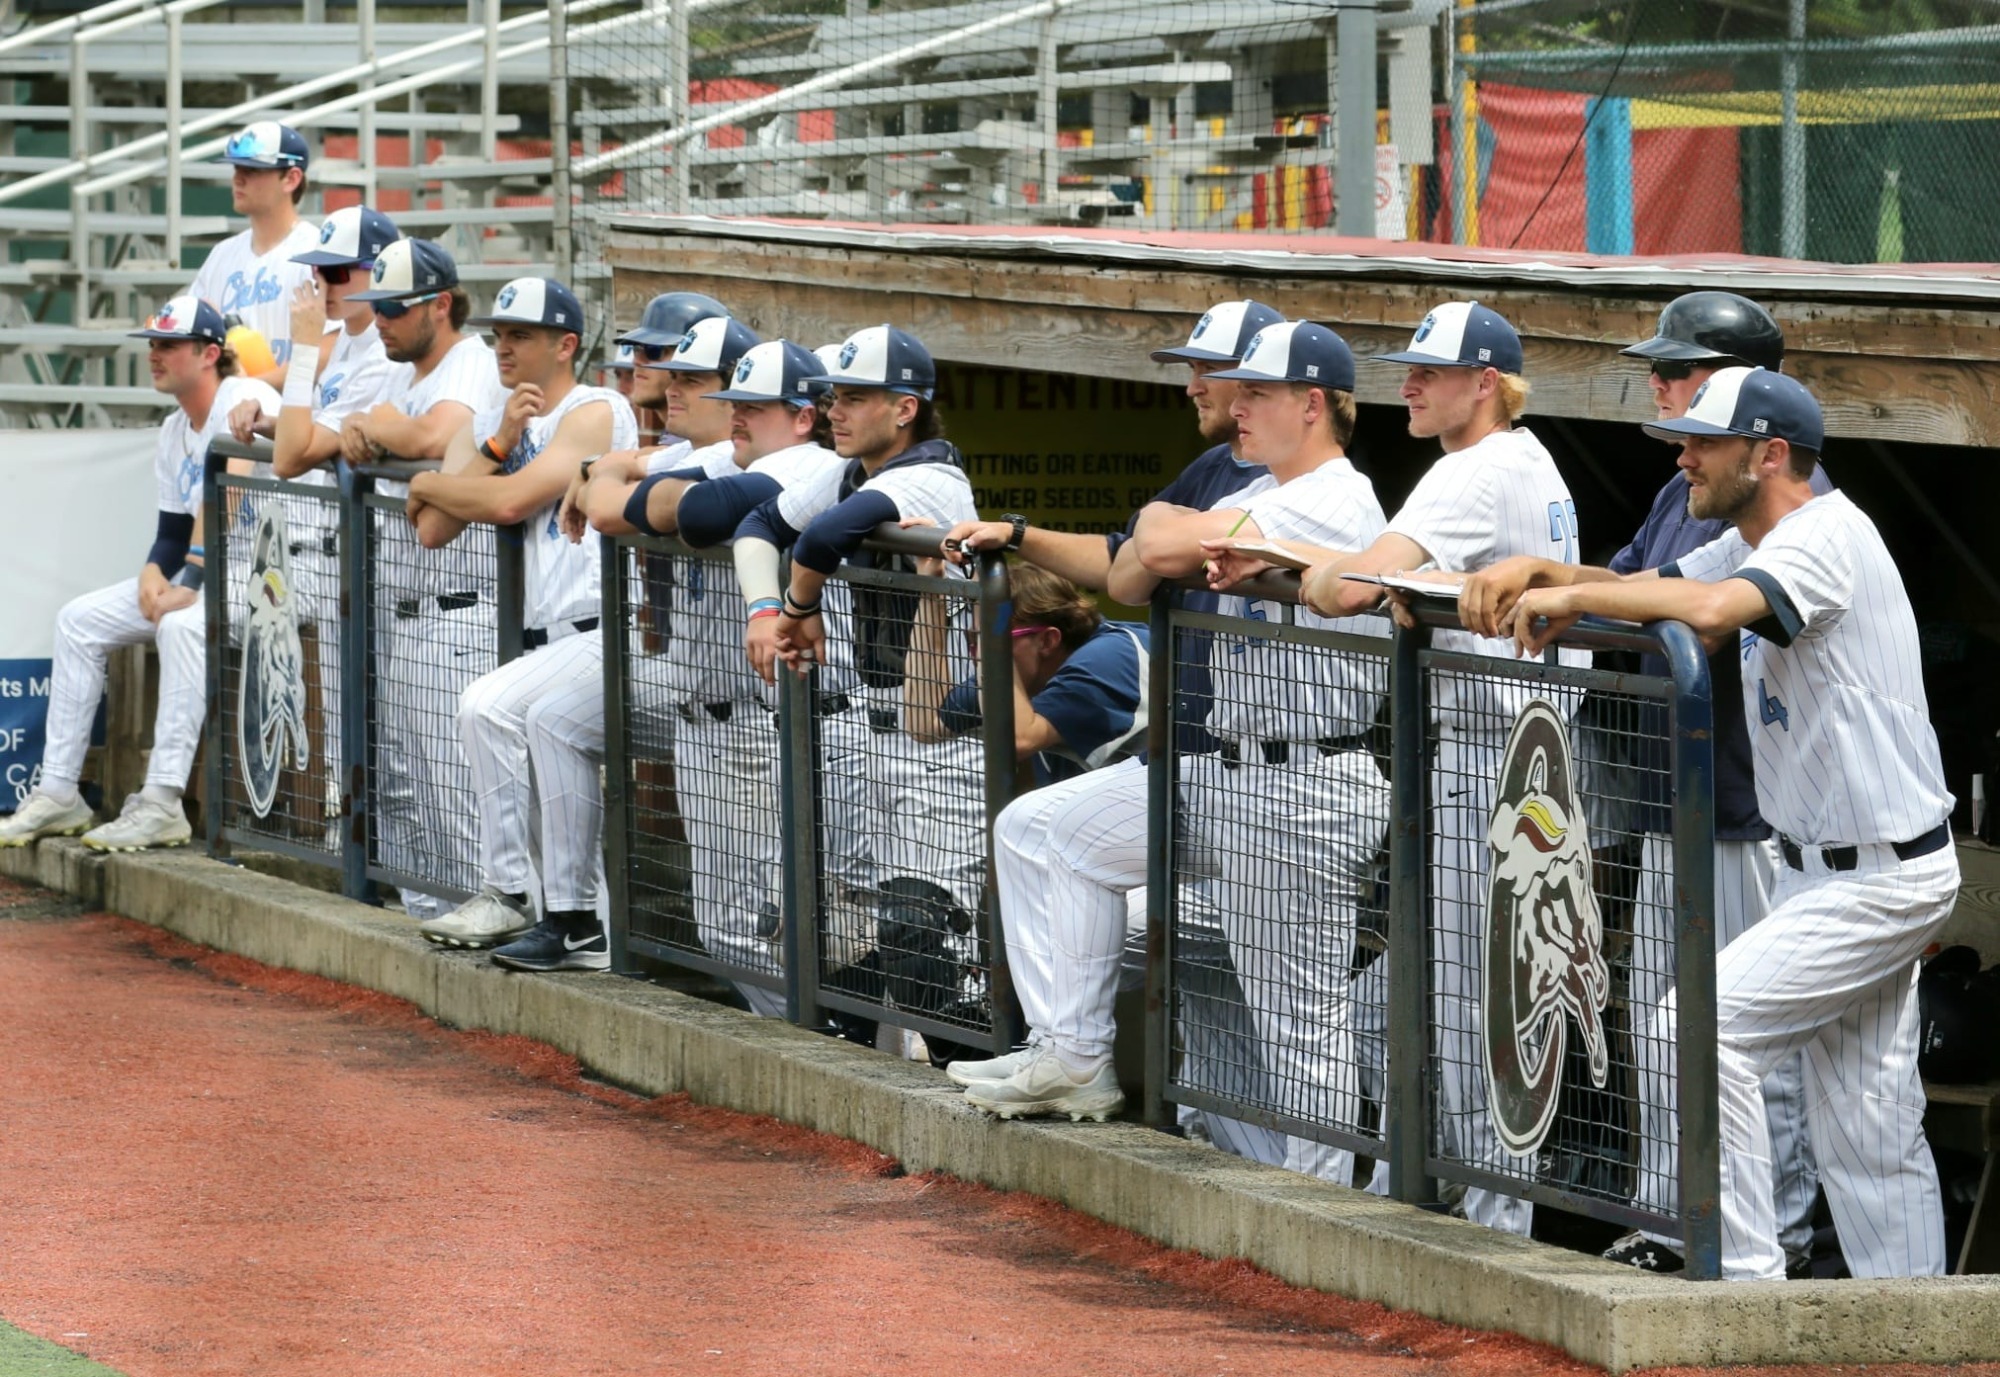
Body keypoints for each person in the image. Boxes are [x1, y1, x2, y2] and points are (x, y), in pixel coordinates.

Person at [1471, 367, 1957, 1282]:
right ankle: (1922, 1334)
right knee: (1867, 1131)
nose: (1681, 453)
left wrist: (1571, 597)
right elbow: (1660, 585)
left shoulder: (1824, 535)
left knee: (1693, 1027)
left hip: (1881, 871)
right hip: (1834, 868)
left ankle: (1744, 1295)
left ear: (1770, 454)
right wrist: (1547, 574)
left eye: (1704, 440)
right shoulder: (1758, 537)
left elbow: (1704, 614)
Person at [1203, 300, 1587, 1231]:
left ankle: (1496, 1246)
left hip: (1495, 772)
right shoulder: (1532, 460)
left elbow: (1345, 588)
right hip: (1534, 768)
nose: (1407, 384)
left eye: (1431, 371)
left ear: (1485, 383)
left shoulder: (1477, 468)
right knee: (1429, 1006)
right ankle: (1445, 1199)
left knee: (1480, 1025)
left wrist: (1294, 560)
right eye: (1406, 367)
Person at [936, 300, 1288, 1157]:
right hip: (1207, 770)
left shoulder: (1300, 488)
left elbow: (1142, 565)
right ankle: (1071, 1056)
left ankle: (1341, 1210)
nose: (1195, 385)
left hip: (1286, 779)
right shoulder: (1212, 467)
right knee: (1032, 830)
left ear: (1267, 386)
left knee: (1292, 1033)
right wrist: (1019, 533)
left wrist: (1154, 544)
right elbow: (1127, 561)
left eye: (1213, 371)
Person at [1592, 293, 1826, 1276]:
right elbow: (1621, 593)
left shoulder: (1786, 504)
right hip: (1672, 803)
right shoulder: (1678, 487)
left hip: (1748, 811)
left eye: (1678, 369)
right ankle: (1667, 1224)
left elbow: (1684, 608)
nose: (1658, 385)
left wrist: (1569, 594)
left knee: (1745, 1037)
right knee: (1662, 1017)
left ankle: (1778, 1231)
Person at [580, 334, 844, 1015]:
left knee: (772, 928)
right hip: (716, 721)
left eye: (753, 407)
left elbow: (674, 510)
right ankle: (812, 1039)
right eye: (733, 404)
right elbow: (622, 501)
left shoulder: (803, 468)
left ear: (803, 416)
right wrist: (625, 480)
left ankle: (827, 1042)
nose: (736, 418)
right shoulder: (733, 459)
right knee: (733, 931)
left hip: (767, 726)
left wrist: (619, 482)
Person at [750, 325, 985, 1044]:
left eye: (855, 398)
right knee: (844, 937)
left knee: (930, 950)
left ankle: (968, 1126)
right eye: (831, 397)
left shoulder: (930, 474)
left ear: (905, 408)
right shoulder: (852, 469)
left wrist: (795, 607)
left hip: (942, 738)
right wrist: (770, 608)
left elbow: (822, 538)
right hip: (877, 733)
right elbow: (758, 520)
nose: (834, 412)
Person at [398, 278, 638, 968]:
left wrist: (427, 482)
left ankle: (511, 895)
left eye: (523, 335)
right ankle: (575, 933)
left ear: (565, 345)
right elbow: (437, 529)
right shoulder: (499, 419)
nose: (505, 346)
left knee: (486, 705)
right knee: (545, 814)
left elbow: (502, 506)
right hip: (543, 640)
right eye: (501, 333)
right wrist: (500, 441)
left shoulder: (596, 409)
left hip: (600, 631)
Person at [0, 298, 279, 848]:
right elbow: (173, 531)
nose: (154, 354)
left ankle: (162, 801)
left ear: (209, 353)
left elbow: (231, 491)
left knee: (179, 625)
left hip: (277, 577)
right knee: (78, 620)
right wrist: (154, 571)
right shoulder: (174, 428)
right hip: (212, 573)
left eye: (168, 345)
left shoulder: (248, 398)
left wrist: (189, 580)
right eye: (151, 344)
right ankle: (59, 791)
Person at [340, 238, 508, 919]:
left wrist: (382, 428)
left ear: (440, 304)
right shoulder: (394, 375)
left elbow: (440, 435)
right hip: (406, 611)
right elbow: (366, 428)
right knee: (407, 798)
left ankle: (484, 951)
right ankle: (431, 935)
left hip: (460, 609)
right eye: (375, 307)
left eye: (395, 307)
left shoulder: (468, 361)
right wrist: (371, 423)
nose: (380, 320)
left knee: (461, 800)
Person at [904, 562, 1146, 789]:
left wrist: (993, 645)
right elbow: (925, 724)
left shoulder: (1106, 659)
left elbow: (1016, 742)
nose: (979, 654)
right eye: (974, 639)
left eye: (990, 638)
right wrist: (930, 591)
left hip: (1166, 816)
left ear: (1048, 640)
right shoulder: (1024, 672)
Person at [197, 121, 320, 386]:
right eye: (236, 168)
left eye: (252, 170)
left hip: (296, 419)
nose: (237, 178)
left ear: (291, 178)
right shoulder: (221, 255)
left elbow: (330, 352)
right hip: (229, 417)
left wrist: (253, 390)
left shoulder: (317, 252)